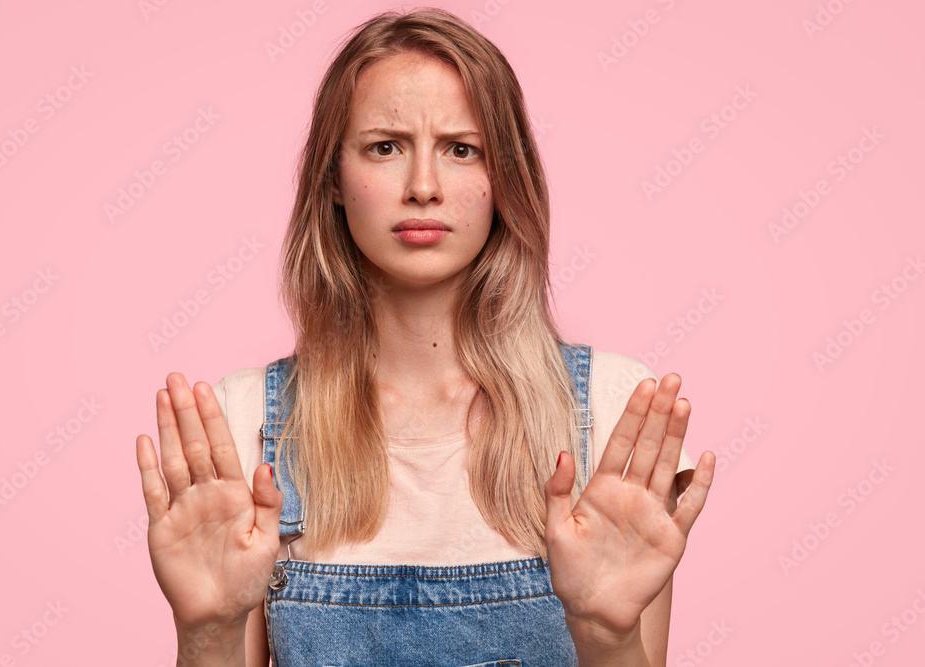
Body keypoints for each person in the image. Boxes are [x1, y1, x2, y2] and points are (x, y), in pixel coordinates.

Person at [135, 8, 715, 666]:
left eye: (461, 149)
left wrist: (609, 635)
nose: (423, 187)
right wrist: (205, 629)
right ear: (332, 181)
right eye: (385, 146)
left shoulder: (616, 414)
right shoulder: (242, 428)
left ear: (505, 181)